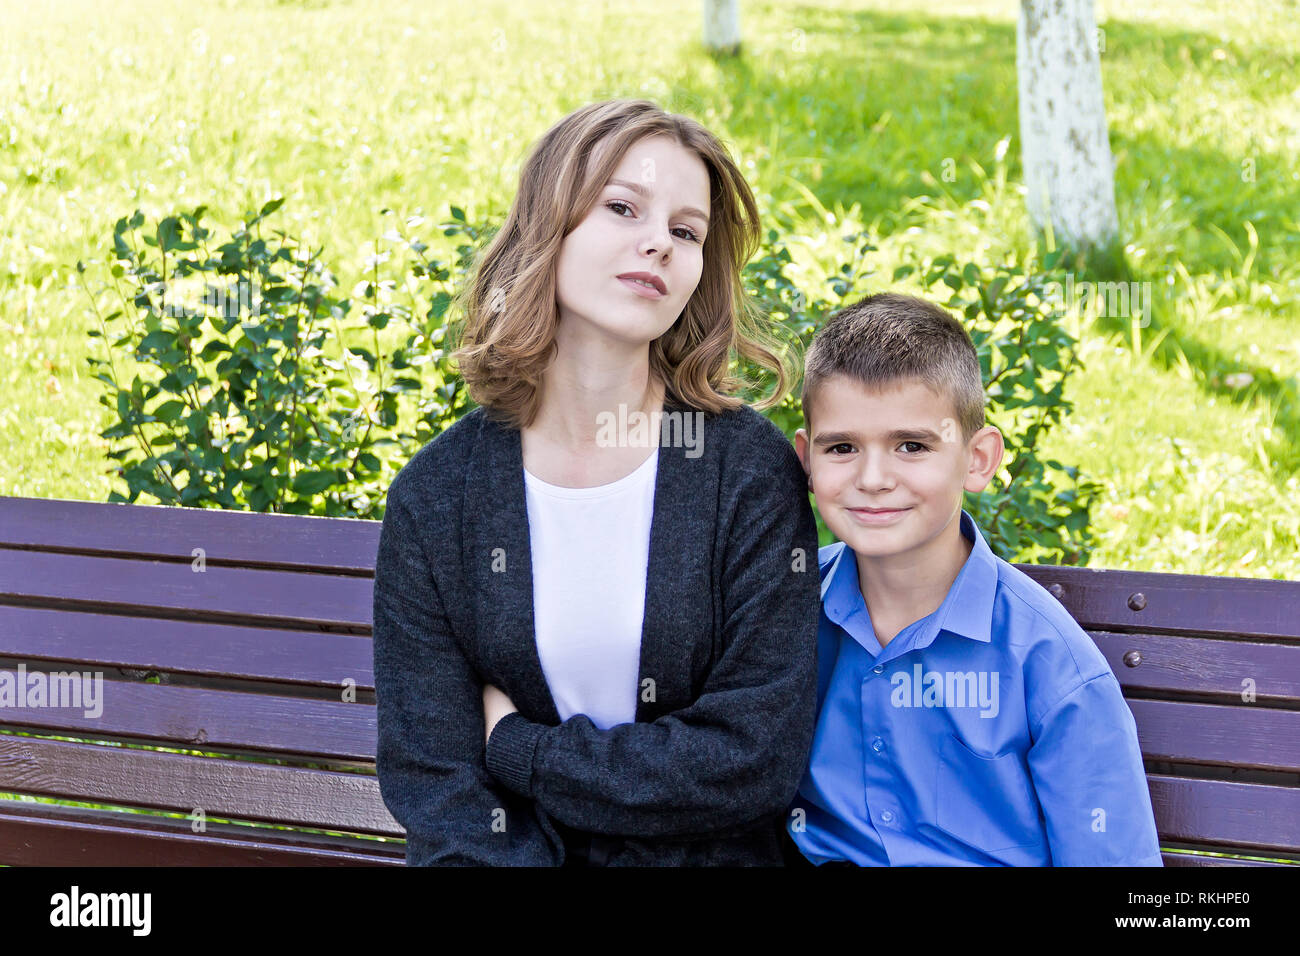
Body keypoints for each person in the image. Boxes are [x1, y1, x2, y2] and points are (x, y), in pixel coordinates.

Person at [372, 99, 821, 866]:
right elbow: (438, 783)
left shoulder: (744, 472)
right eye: (623, 208)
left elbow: (751, 760)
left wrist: (524, 751)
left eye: (686, 232)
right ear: (549, 224)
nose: (659, 243)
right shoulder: (439, 495)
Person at [785, 292, 1163, 866]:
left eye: (911, 446)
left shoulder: (1048, 664)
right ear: (807, 461)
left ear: (979, 460)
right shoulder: (784, 611)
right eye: (842, 448)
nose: (874, 477)